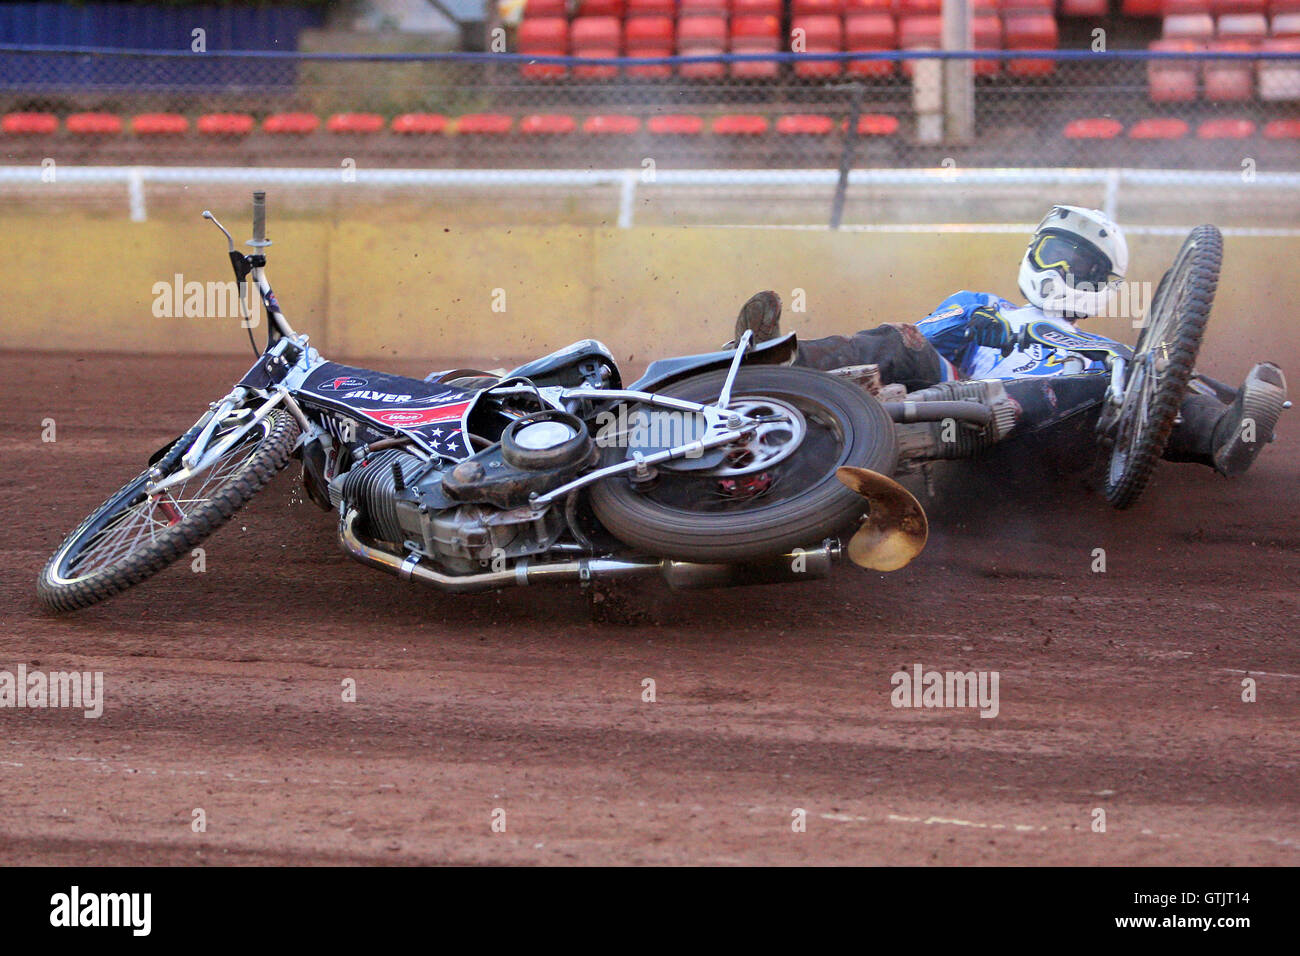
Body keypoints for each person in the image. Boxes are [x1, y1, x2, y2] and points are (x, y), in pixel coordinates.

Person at [730, 205, 1287, 478]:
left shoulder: (1109, 355)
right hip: (959, 397)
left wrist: (1213, 394)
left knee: (1144, 373)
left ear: (1101, 287)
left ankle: (1225, 429)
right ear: (1032, 252)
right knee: (900, 339)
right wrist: (977, 332)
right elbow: (922, 343)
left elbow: (1162, 390)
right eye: (1054, 255)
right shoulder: (983, 306)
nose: (1062, 272)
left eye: (1082, 267)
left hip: (1046, 442)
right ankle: (781, 360)